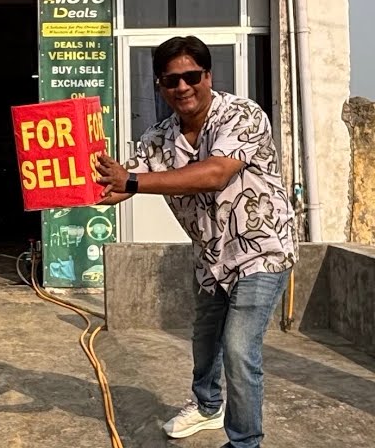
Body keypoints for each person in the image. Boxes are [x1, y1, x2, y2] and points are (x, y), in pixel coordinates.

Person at [94, 35, 297, 448]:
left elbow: (214, 173)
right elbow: (124, 183)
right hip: (210, 258)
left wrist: (132, 180)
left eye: (191, 76)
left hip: (262, 249)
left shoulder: (242, 115)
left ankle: (244, 442)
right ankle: (207, 406)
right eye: (171, 81)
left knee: (239, 350)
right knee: (205, 341)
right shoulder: (157, 138)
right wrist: (79, 183)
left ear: (208, 75)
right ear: (159, 86)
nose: (182, 87)